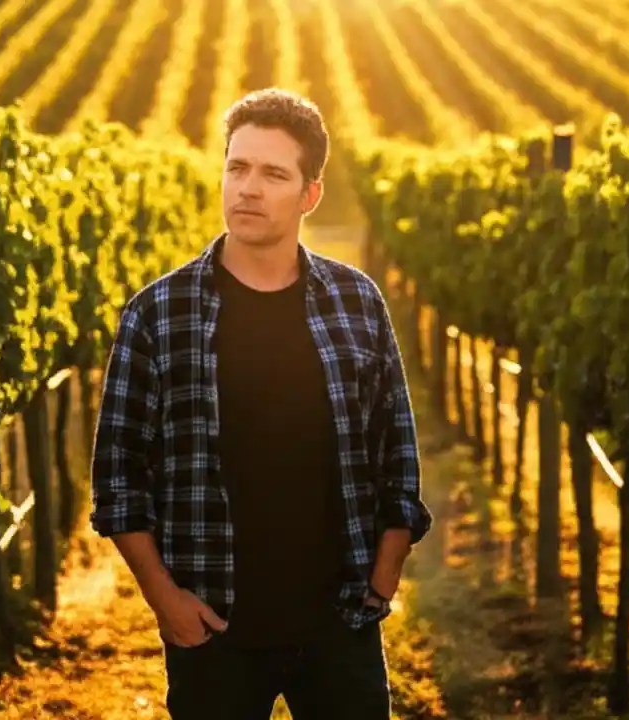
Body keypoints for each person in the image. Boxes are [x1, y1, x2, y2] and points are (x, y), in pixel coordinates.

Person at [88, 87, 433, 720]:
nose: (248, 188)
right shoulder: (157, 313)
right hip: (213, 629)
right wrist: (165, 600)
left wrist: (383, 575)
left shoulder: (357, 301)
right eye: (237, 167)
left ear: (310, 194)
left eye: (274, 174)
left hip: (339, 624)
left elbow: (397, 450)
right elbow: (117, 479)